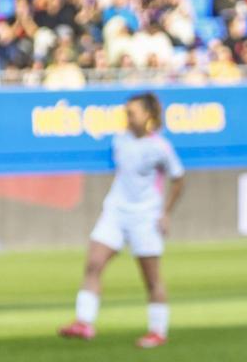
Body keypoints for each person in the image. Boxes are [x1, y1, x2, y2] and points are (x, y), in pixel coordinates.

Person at [59, 92, 184, 348]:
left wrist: (165, 212)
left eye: (132, 113)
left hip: (145, 216)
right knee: (94, 263)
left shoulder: (160, 147)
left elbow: (178, 178)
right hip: (115, 211)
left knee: (151, 277)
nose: (126, 117)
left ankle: (157, 330)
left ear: (147, 115)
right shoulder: (119, 140)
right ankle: (84, 321)